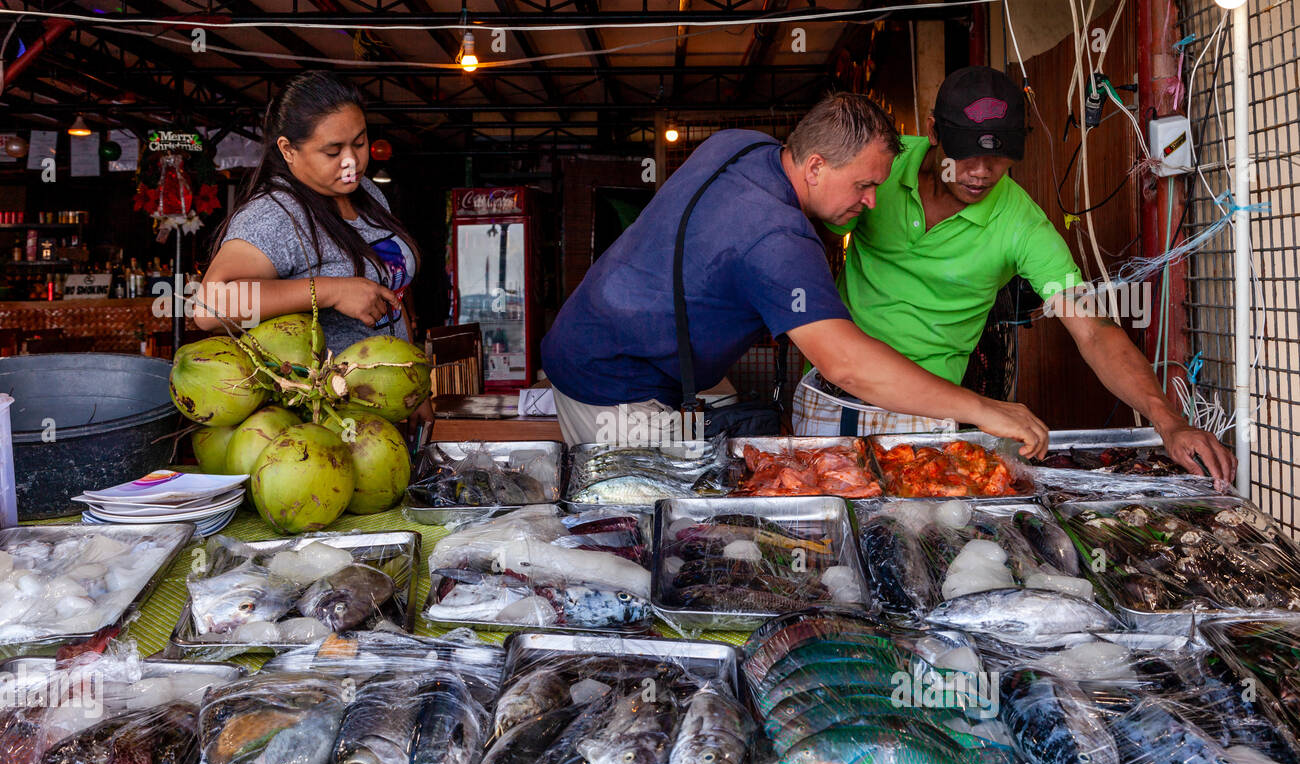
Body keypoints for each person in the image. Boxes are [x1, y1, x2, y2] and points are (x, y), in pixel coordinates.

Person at [541, 92, 1051, 455]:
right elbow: (845, 365)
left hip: (607, 330)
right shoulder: (779, 240)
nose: (872, 201)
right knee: (664, 527)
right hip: (612, 381)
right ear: (813, 167)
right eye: (863, 185)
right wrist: (983, 408)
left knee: (733, 428)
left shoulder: (739, 145)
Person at [795, 66, 1234, 483]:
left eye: (999, 156)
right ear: (933, 131)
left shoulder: (1022, 224)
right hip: (830, 390)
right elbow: (813, 232)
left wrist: (1169, 421)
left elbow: (1094, 331)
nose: (982, 173)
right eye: (967, 153)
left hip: (923, 414)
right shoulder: (877, 170)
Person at [197, 71, 423, 364]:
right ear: (288, 150)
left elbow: (391, 294)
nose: (351, 161)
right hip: (321, 404)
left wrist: (414, 380)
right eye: (333, 151)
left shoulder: (367, 193)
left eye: (359, 143)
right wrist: (331, 291)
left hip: (387, 398)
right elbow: (208, 308)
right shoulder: (276, 214)